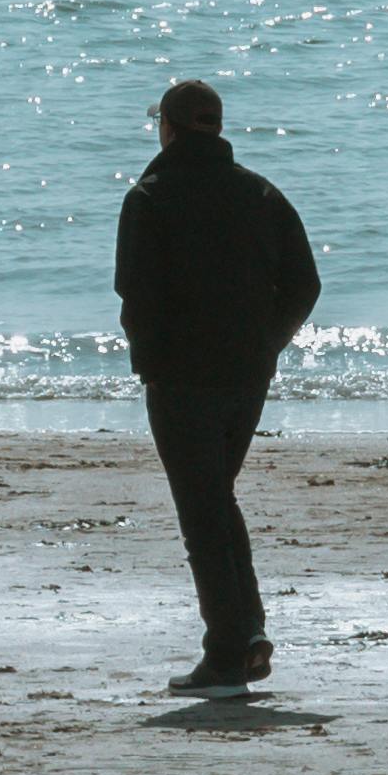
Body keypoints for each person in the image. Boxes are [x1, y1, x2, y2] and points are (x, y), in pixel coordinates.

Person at [110, 80, 320, 692]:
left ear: (168, 128)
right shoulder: (260, 192)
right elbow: (305, 285)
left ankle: (227, 653)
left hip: (181, 377)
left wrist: (149, 356)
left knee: (202, 510)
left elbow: (134, 293)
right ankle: (247, 634)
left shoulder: (148, 196)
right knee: (215, 499)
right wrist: (266, 345)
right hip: (246, 375)